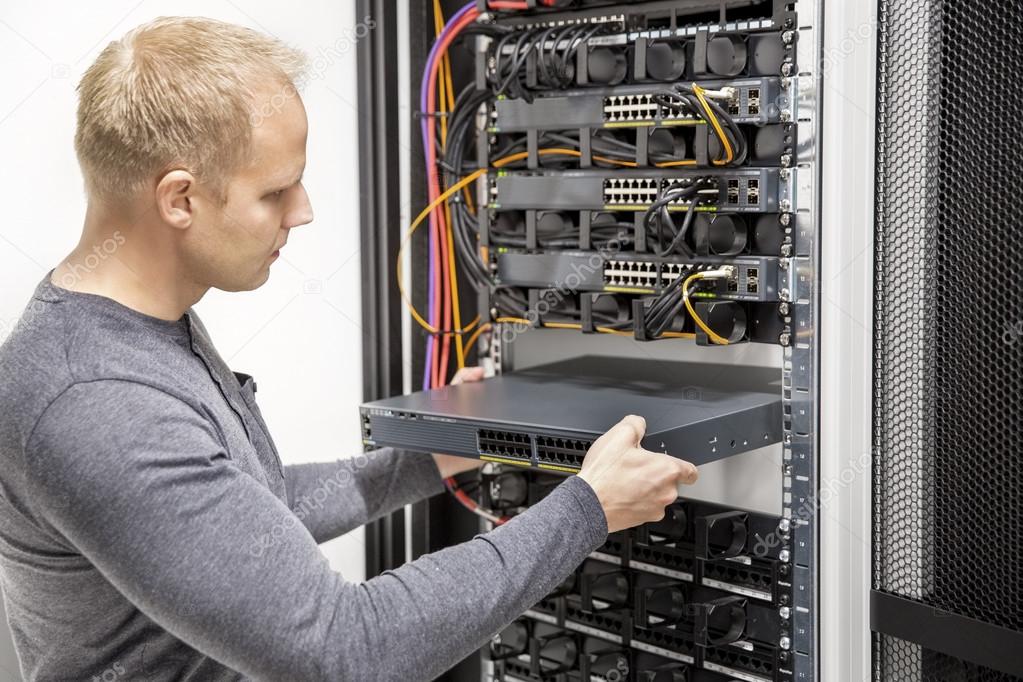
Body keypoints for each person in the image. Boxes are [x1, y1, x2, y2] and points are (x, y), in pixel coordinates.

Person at [0, 17, 698, 681]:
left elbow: (236, 514)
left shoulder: (137, 325)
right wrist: (589, 508)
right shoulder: (93, 403)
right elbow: (347, 653)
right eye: (274, 192)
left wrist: (431, 456)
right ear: (179, 199)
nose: (301, 210)